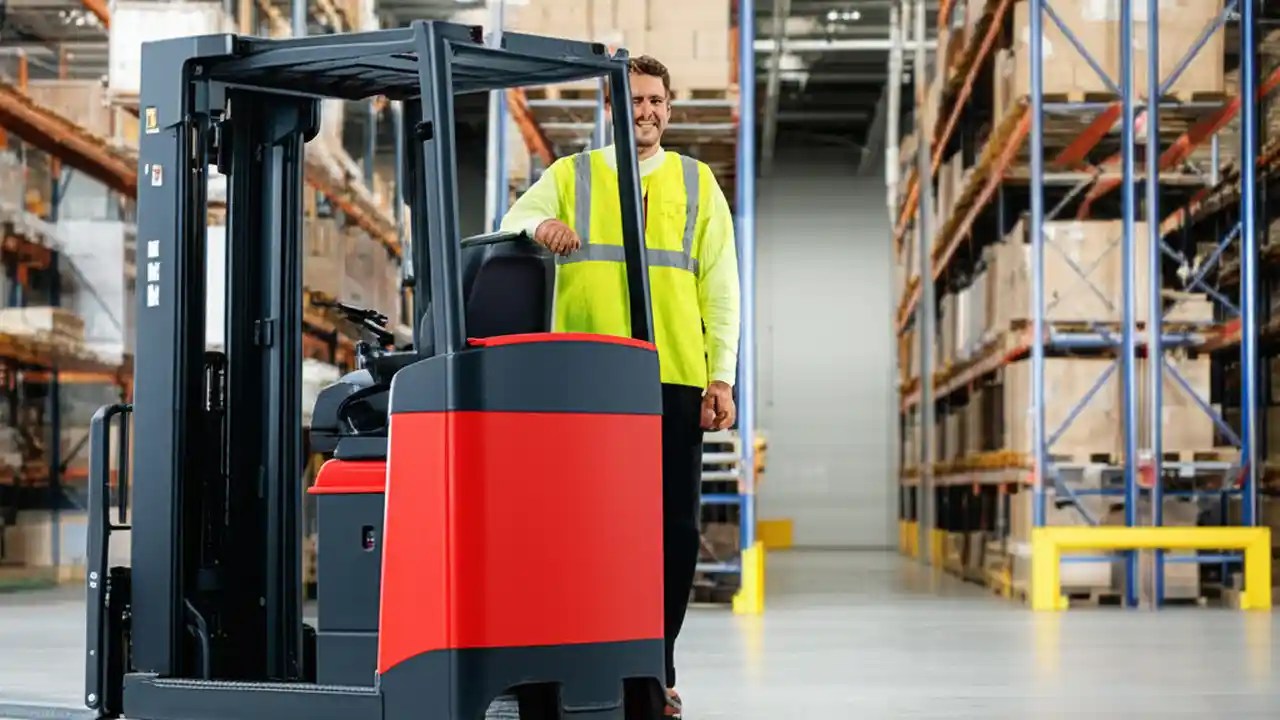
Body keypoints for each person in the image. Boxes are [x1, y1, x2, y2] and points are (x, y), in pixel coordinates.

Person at [499, 55, 740, 718]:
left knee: (675, 532)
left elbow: (721, 287)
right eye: (635, 99)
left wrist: (722, 374)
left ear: (669, 107)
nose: (647, 111)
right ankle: (584, 661)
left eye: (657, 100)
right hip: (587, 383)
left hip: (673, 381)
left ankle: (654, 669)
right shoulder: (572, 176)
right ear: (614, 106)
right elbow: (515, 217)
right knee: (584, 531)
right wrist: (538, 227)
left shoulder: (697, 184)